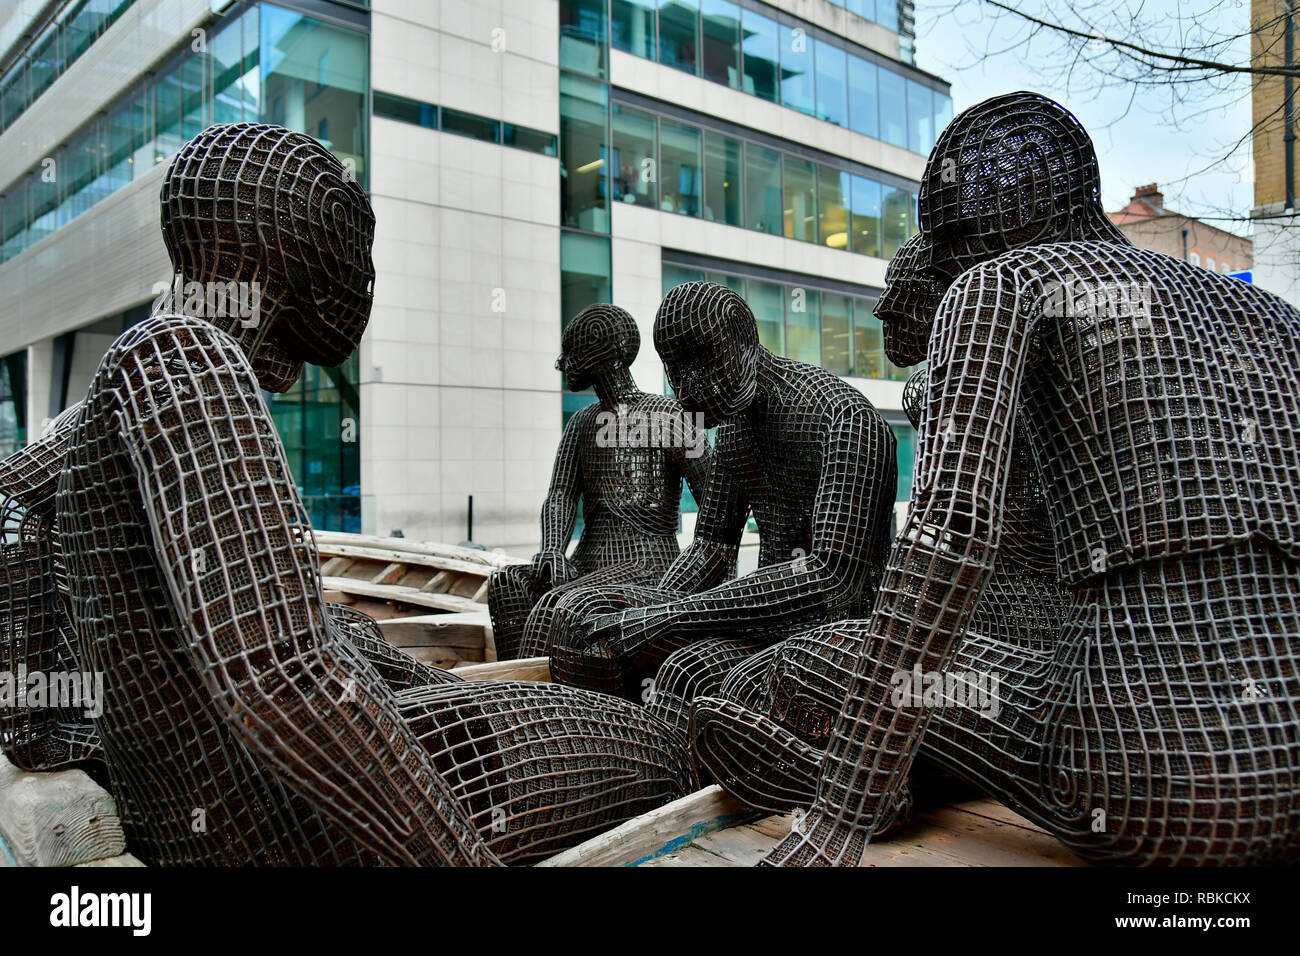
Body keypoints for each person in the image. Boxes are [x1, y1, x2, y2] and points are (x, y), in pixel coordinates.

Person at [37, 122, 695, 866]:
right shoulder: (189, 359)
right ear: (290, 256)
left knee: (359, 638)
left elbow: (18, 505)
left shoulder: (129, 369)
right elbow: (285, 676)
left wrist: (44, 720)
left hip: (204, 804)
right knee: (646, 747)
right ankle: (686, 741)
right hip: (275, 824)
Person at [765, 91, 1300, 867]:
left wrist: (838, 818)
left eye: (942, 242)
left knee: (820, 660)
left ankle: (883, 790)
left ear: (965, 235)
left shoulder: (1000, 287)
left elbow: (947, 539)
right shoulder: (1275, 315)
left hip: (1144, 772)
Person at [689, 233, 1067, 819]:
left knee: (824, 666)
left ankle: (873, 785)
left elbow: (893, 562)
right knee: (754, 673)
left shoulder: (893, 411)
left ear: (957, 300)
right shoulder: (937, 398)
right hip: (948, 621)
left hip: (1017, 627)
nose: (884, 307)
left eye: (905, 293)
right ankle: (872, 779)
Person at [548, 281, 898, 728]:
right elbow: (712, 547)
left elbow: (830, 578)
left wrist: (672, 613)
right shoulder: (734, 432)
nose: (685, 392)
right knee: (591, 622)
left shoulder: (846, 420)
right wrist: (651, 607)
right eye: (676, 372)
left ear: (744, 342)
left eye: (700, 366)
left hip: (845, 628)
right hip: (770, 623)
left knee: (687, 675)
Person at [487, 303, 710, 660]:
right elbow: (560, 493)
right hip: (587, 559)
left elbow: (713, 493)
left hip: (647, 561)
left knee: (556, 607)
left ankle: (535, 697)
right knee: (507, 584)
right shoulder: (581, 423)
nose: (565, 362)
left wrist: (709, 567)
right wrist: (552, 550)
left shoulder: (668, 415)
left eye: (573, 351)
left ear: (605, 353)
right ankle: (510, 682)